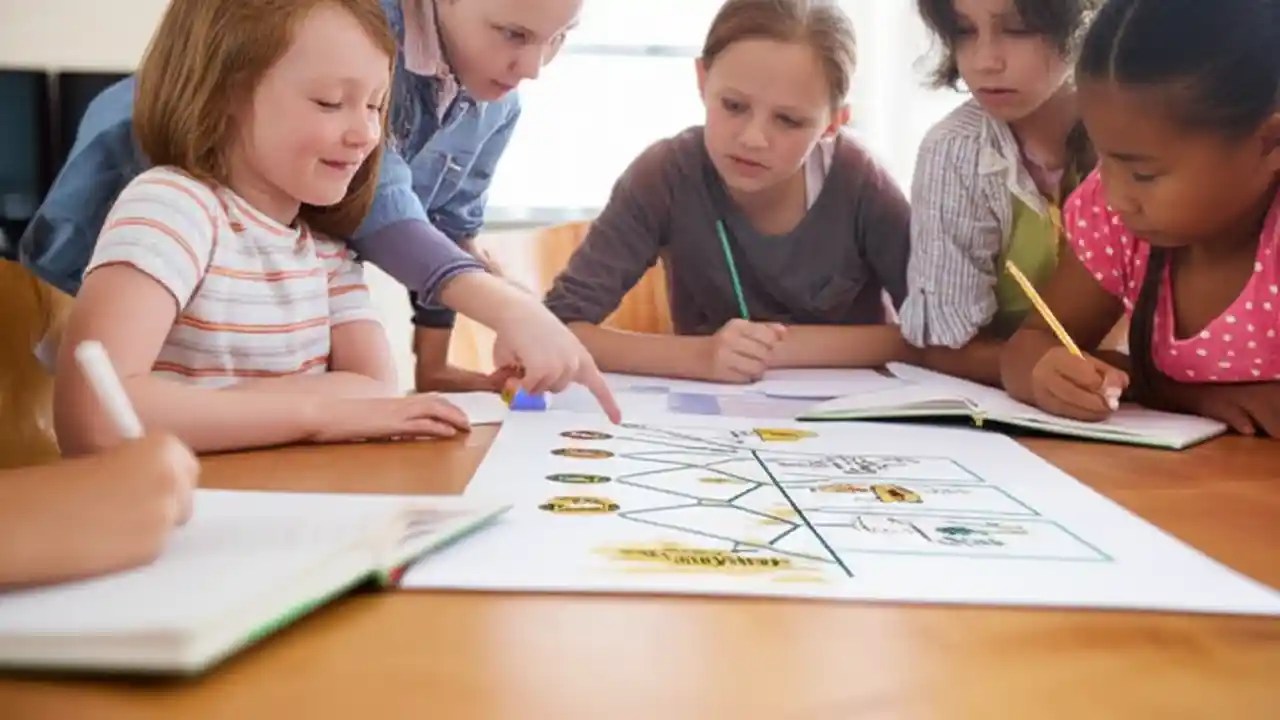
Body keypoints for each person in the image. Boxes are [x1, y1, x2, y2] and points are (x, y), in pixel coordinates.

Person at [13, 0, 618, 413]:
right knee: (82, 384)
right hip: (136, 230)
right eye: (512, 33)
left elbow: (449, 222)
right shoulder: (356, 24)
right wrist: (501, 304)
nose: (536, 67)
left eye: (560, 38)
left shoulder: (328, 249)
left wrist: (432, 364)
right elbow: (381, 196)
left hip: (264, 274)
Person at [545, 0, 911, 383]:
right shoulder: (664, 176)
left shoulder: (862, 183)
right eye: (733, 106)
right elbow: (556, 329)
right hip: (711, 426)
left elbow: (941, 341)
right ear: (702, 80)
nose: (753, 139)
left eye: (788, 120)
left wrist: (785, 348)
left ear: (834, 123)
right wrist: (699, 357)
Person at [1001, 0, 1280, 438]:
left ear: (1269, 143)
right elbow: (1029, 344)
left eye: (1143, 174)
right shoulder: (1118, 228)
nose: (1114, 196)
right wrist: (1045, 371)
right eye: (1102, 160)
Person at [898, 0, 1099, 386]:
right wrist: (1037, 372)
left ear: (1086, 20)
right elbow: (944, 346)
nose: (984, 61)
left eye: (1019, 29)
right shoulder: (956, 150)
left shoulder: (1141, 129)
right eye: (964, 30)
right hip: (1007, 402)